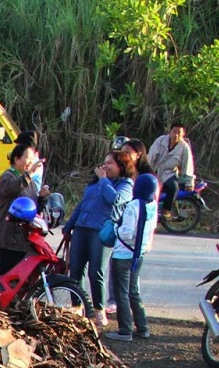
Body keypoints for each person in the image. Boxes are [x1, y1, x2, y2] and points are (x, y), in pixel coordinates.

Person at [66, 150, 134, 327]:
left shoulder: (125, 184)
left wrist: (104, 180)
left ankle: (99, 310)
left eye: (110, 163)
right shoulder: (96, 182)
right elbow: (83, 204)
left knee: (96, 272)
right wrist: (69, 225)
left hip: (100, 231)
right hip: (82, 227)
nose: (105, 166)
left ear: (121, 166)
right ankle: (77, 306)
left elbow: (115, 199)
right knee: (75, 270)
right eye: (104, 162)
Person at [107, 172, 159, 342]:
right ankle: (142, 327)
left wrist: (115, 228)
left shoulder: (133, 206)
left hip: (123, 253)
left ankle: (125, 330)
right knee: (133, 291)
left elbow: (127, 232)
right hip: (139, 253)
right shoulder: (152, 205)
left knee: (121, 291)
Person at [0, 142, 41, 273]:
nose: (31, 162)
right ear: (17, 159)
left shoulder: (28, 180)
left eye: (33, 159)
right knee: (6, 274)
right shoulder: (8, 176)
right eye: (28, 158)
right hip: (9, 236)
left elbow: (33, 205)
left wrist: (43, 197)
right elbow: (12, 188)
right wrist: (29, 174)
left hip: (24, 238)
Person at [147, 122, 194, 215]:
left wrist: (189, 182)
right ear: (170, 132)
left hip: (169, 173)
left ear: (183, 134)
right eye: (174, 131)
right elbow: (150, 157)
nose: (176, 135)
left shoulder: (184, 147)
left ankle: (166, 210)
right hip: (154, 170)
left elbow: (187, 165)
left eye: (179, 133)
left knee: (174, 188)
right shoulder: (160, 141)